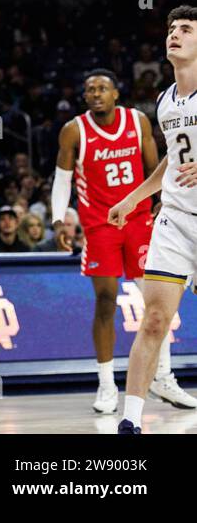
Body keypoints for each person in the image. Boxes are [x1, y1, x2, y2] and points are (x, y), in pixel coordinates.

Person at [49, 68, 192, 413]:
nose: (96, 94)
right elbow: (62, 180)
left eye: (102, 88)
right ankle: (106, 385)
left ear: (116, 93)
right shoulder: (74, 131)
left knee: (159, 304)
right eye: (90, 90)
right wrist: (57, 220)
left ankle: (163, 377)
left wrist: (160, 201)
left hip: (140, 220)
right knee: (105, 300)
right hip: (100, 224)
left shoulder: (139, 120)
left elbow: (155, 164)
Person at [112, 7, 197, 432]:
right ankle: (130, 420)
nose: (174, 35)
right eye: (171, 30)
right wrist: (134, 197)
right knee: (155, 320)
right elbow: (173, 159)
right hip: (177, 220)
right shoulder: (165, 100)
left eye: (185, 29)